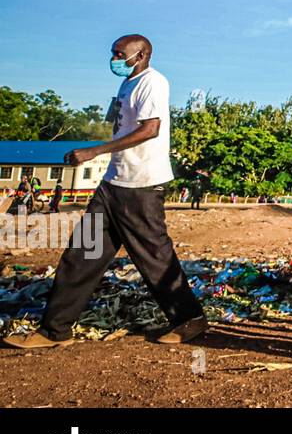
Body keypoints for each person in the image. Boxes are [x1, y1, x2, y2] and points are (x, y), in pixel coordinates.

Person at [3, 35, 206, 350]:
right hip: (114, 182)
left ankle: (189, 318)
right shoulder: (128, 84)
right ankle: (54, 330)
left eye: (119, 54)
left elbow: (150, 128)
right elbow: (121, 126)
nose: (114, 58)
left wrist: (95, 150)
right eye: (113, 52)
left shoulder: (153, 82)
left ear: (141, 54)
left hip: (142, 184)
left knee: (154, 257)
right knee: (82, 254)